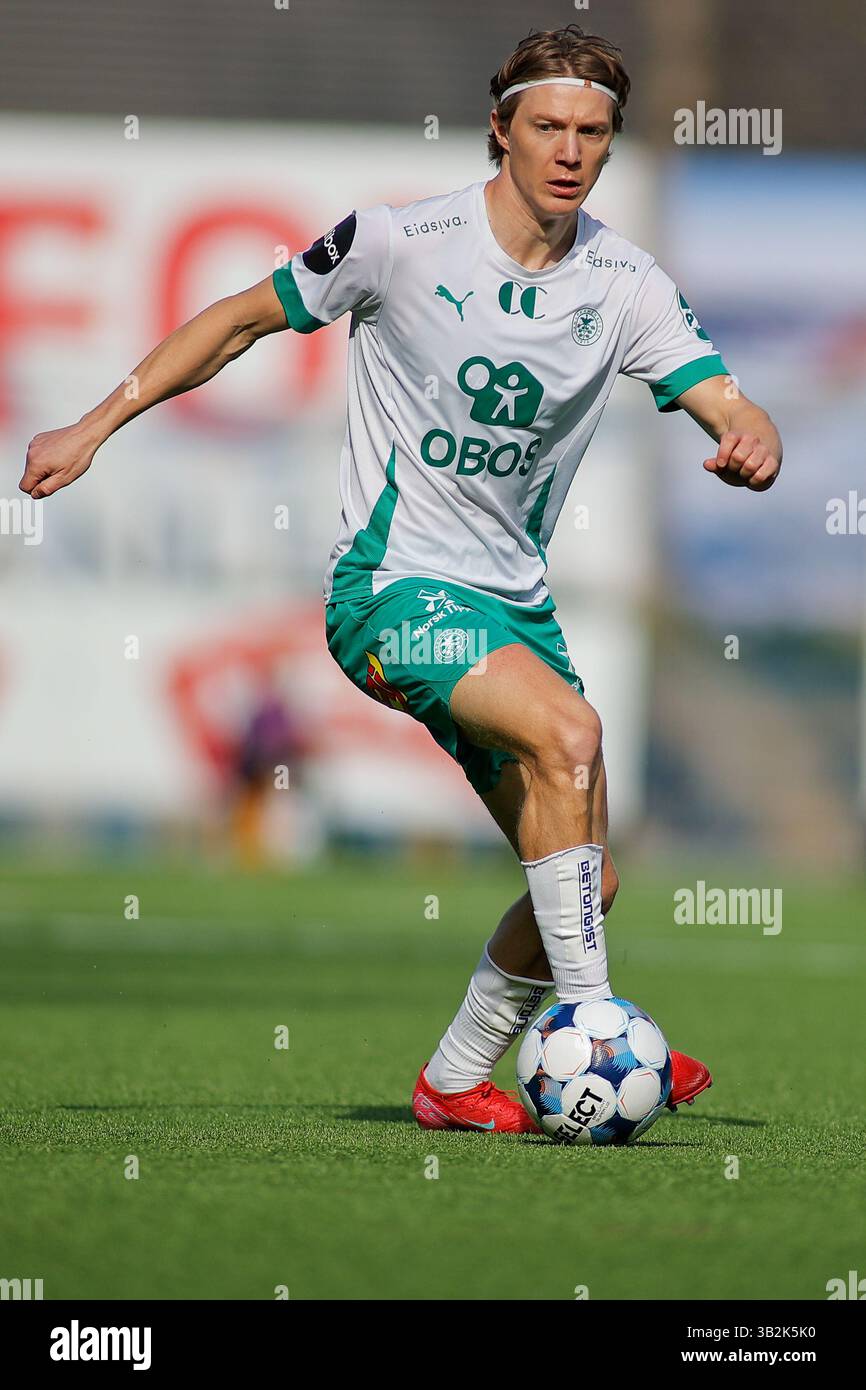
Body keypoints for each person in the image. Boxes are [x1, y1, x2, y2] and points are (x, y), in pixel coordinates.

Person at [20, 24, 782, 1135]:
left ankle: (454, 1078)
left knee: (581, 880)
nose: (567, 150)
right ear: (499, 129)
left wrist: (749, 431)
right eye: (546, 127)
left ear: (609, 147)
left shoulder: (624, 283)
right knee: (569, 737)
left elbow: (721, 396)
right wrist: (96, 423)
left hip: (512, 606)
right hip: (388, 592)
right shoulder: (398, 242)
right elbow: (236, 321)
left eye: (590, 133)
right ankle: (597, 1026)